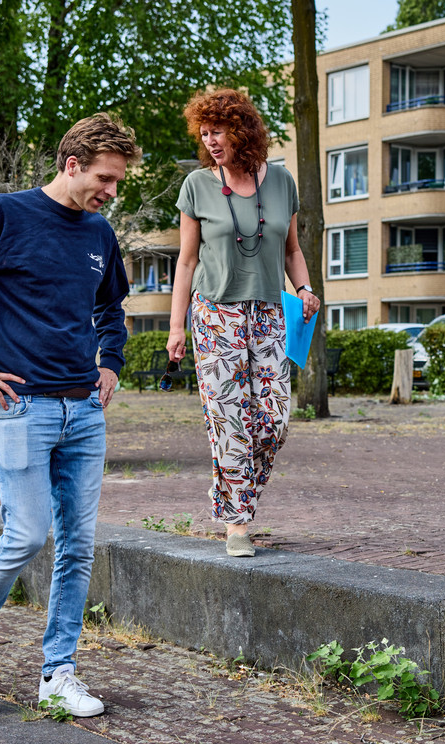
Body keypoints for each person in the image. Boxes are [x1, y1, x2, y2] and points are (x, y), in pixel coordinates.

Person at [0, 113, 140, 717]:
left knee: (78, 546)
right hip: (18, 406)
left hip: (84, 410)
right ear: (72, 164)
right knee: (26, 533)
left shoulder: (98, 234)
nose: (111, 192)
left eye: (116, 183)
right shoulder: (2, 215)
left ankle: (57, 674)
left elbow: (112, 307)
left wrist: (110, 363)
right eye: (104, 178)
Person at [167, 88, 320, 558]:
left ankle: (235, 495)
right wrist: (176, 327)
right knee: (230, 419)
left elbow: (292, 249)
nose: (211, 140)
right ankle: (237, 522)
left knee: (273, 419)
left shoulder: (282, 182)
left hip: (271, 312)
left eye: (220, 131)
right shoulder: (197, 185)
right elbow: (187, 263)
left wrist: (306, 288)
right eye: (205, 132)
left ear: (243, 130)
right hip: (215, 315)